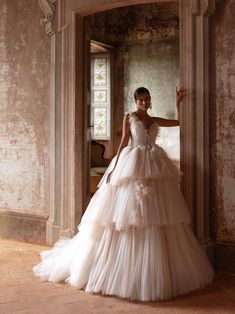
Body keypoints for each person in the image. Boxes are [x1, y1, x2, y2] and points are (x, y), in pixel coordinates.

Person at [33, 87, 214, 301]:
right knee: (126, 216)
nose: (145, 103)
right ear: (136, 101)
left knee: (157, 215)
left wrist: (177, 103)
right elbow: (122, 143)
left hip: (154, 165)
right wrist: (113, 168)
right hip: (132, 164)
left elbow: (178, 122)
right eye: (141, 100)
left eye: (147, 99)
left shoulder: (154, 119)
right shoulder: (128, 117)